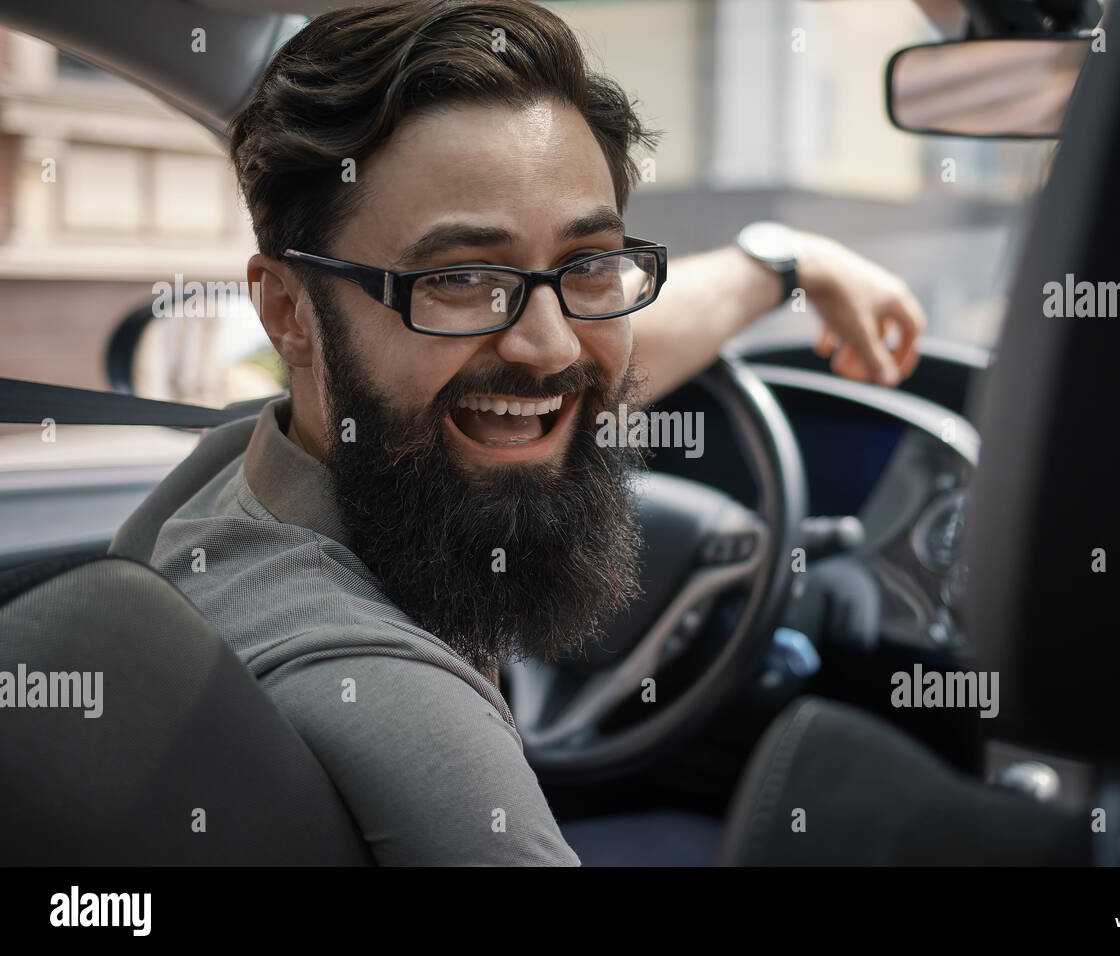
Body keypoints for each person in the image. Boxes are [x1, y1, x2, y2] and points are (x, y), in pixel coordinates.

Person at [150, 0, 925, 865]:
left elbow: (533, 375)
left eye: (588, 264)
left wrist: (785, 266)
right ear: (290, 313)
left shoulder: (227, 483)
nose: (550, 345)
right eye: (460, 278)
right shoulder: (392, 699)